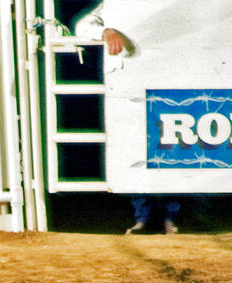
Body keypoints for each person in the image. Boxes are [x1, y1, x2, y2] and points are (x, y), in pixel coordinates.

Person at [74, 2, 181, 234]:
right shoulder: (118, 5)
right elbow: (84, 25)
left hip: (171, 77)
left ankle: (173, 215)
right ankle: (145, 216)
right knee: (136, 146)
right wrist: (105, 31)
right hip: (133, 84)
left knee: (174, 142)